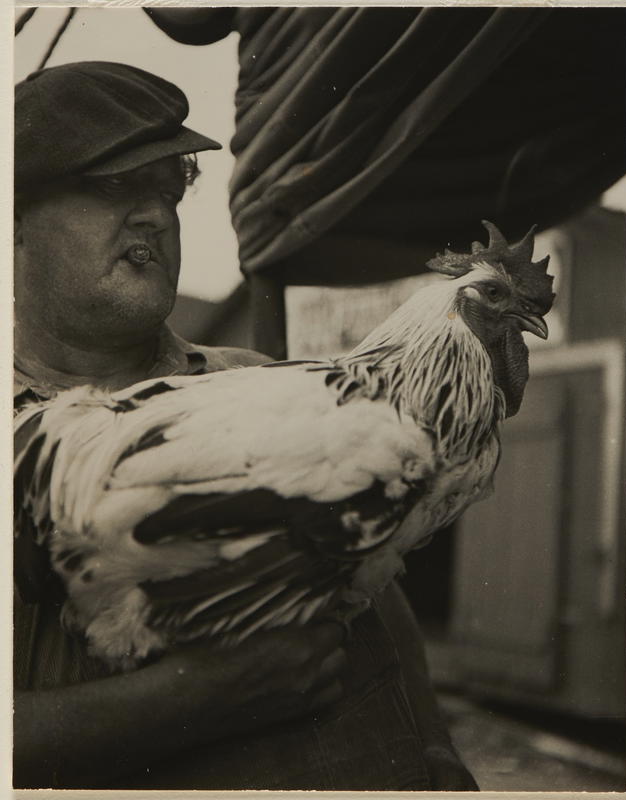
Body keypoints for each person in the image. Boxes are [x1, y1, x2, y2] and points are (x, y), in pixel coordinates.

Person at [13, 61, 477, 791]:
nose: (157, 216)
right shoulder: (23, 448)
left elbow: (381, 595)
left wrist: (438, 749)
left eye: (171, 191)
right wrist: (202, 695)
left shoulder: (259, 383)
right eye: (113, 187)